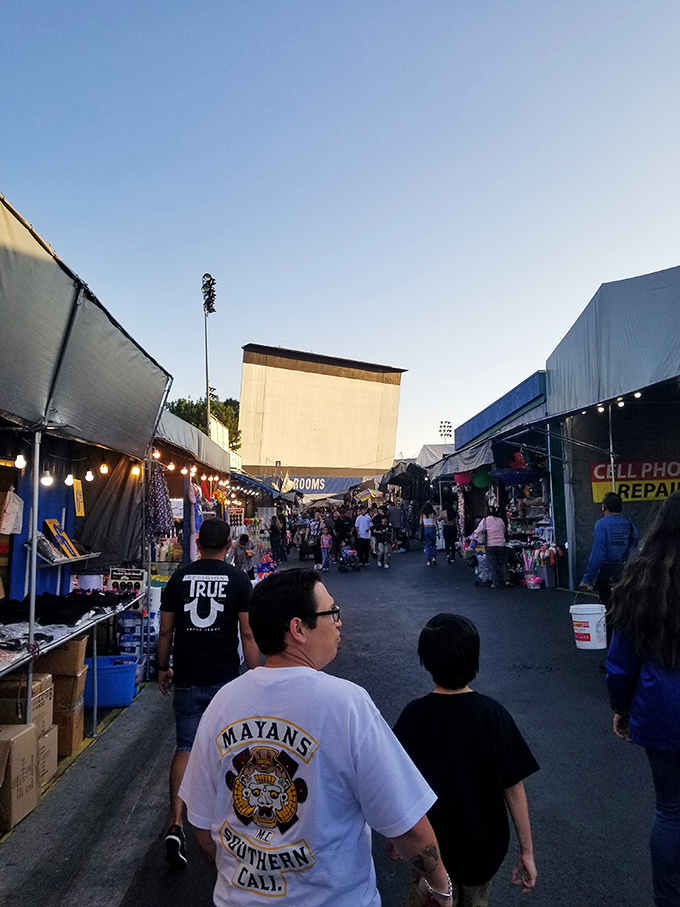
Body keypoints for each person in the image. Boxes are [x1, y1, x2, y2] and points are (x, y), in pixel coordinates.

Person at [179, 569, 454, 907]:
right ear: (298, 629)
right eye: (331, 612)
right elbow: (407, 824)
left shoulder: (223, 702)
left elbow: (202, 827)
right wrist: (440, 884)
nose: (339, 621)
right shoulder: (346, 703)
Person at [394, 613, 539, 907]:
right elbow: (513, 788)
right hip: (482, 853)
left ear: (426, 662)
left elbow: (396, 786)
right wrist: (527, 852)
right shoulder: (492, 715)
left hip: (429, 851)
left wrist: (395, 836)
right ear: (474, 659)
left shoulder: (414, 717)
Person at [158, 519, 260, 867]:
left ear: (197, 543)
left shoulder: (178, 578)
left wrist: (161, 668)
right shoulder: (239, 580)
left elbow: (165, 633)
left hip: (186, 675)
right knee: (230, 748)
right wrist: (257, 674)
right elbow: (247, 635)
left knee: (185, 746)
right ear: (229, 544)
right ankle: (226, 822)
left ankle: (176, 822)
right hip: (225, 679)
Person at [606, 491, 680, 907]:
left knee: (671, 810)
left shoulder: (643, 578)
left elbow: (622, 659)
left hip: (662, 710)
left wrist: (621, 707)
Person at [579, 491, 638, 643]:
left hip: (608, 575)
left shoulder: (601, 525)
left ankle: (612, 654)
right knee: (627, 613)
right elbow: (635, 552)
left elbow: (598, 554)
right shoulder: (631, 526)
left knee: (610, 614)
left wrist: (587, 579)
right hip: (628, 574)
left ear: (603, 507)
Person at [473, 509, 512, 588]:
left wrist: (474, 539)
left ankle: (496, 582)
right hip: (501, 544)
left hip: (490, 545)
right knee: (503, 563)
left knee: (492, 564)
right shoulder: (500, 520)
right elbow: (504, 531)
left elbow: (477, 531)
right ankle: (507, 580)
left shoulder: (485, 520)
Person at [420, 502, 437, 567]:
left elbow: (421, 522)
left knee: (427, 544)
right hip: (432, 528)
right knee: (433, 544)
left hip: (425, 528)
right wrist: (437, 530)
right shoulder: (433, 514)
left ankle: (428, 560)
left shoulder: (422, 514)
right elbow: (435, 523)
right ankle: (434, 557)